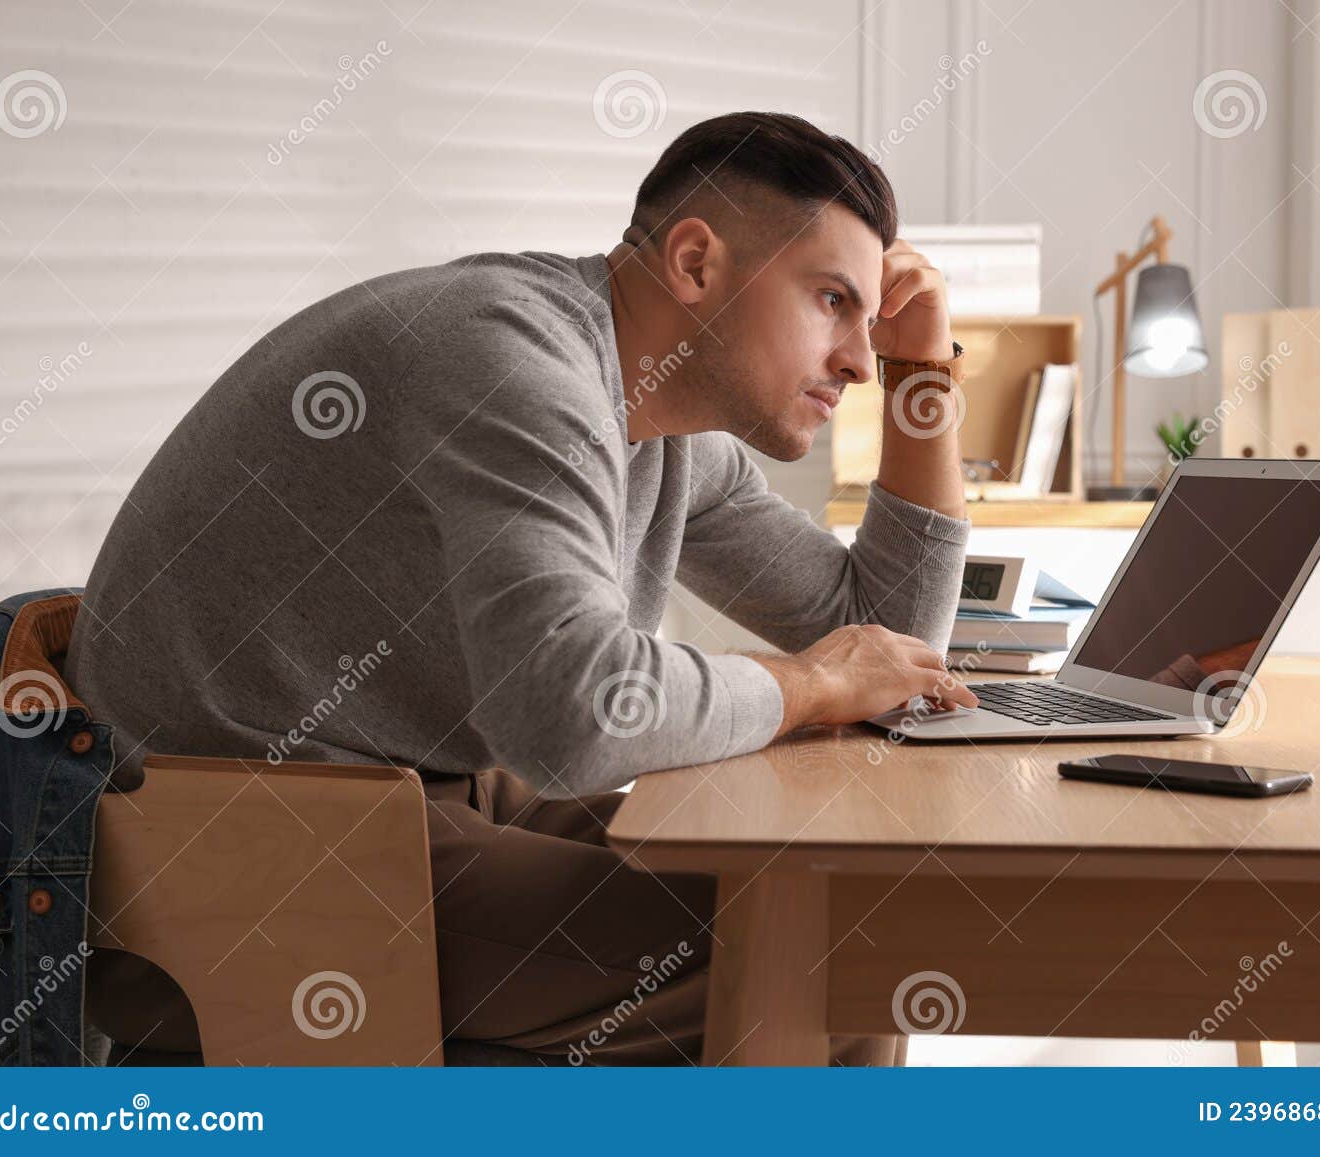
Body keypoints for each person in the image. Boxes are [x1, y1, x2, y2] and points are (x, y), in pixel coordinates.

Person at [67, 110, 976, 1065]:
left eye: (870, 326)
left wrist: (927, 365)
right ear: (697, 263)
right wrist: (807, 686)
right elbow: (575, 712)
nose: (859, 360)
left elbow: (892, 646)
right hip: (242, 856)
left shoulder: (666, 427)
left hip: (417, 794)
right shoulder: (513, 361)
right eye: (833, 300)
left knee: (834, 902)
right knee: (832, 956)